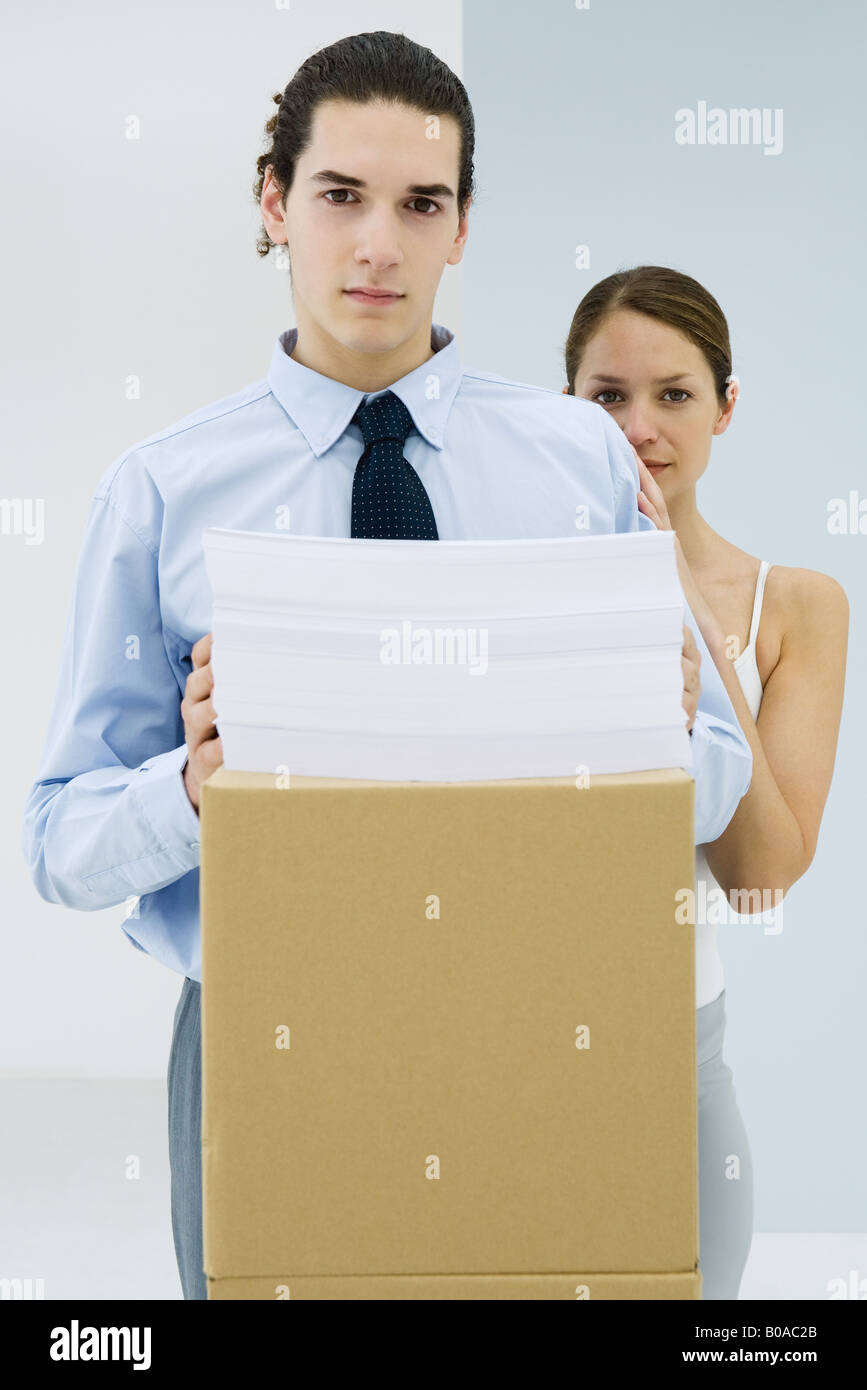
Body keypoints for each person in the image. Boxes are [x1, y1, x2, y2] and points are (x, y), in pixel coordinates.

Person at [20, 33, 753, 1301]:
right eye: (340, 196)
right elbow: (57, 843)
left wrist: (653, 732)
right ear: (274, 203)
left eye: (421, 205)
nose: (379, 247)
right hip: (269, 1027)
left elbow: (716, 786)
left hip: (546, 1014)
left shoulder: (580, 461)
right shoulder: (160, 491)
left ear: (463, 226)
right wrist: (193, 787)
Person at [562, 264, 849, 1297]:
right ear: (566, 414)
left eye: (675, 394)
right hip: (522, 1034)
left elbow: (763, 869)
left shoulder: (800, 606)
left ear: (727, 409)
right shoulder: (523, 591)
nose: (640, 426)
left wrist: (672, 583)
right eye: (607, 397)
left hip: (679, 1037)